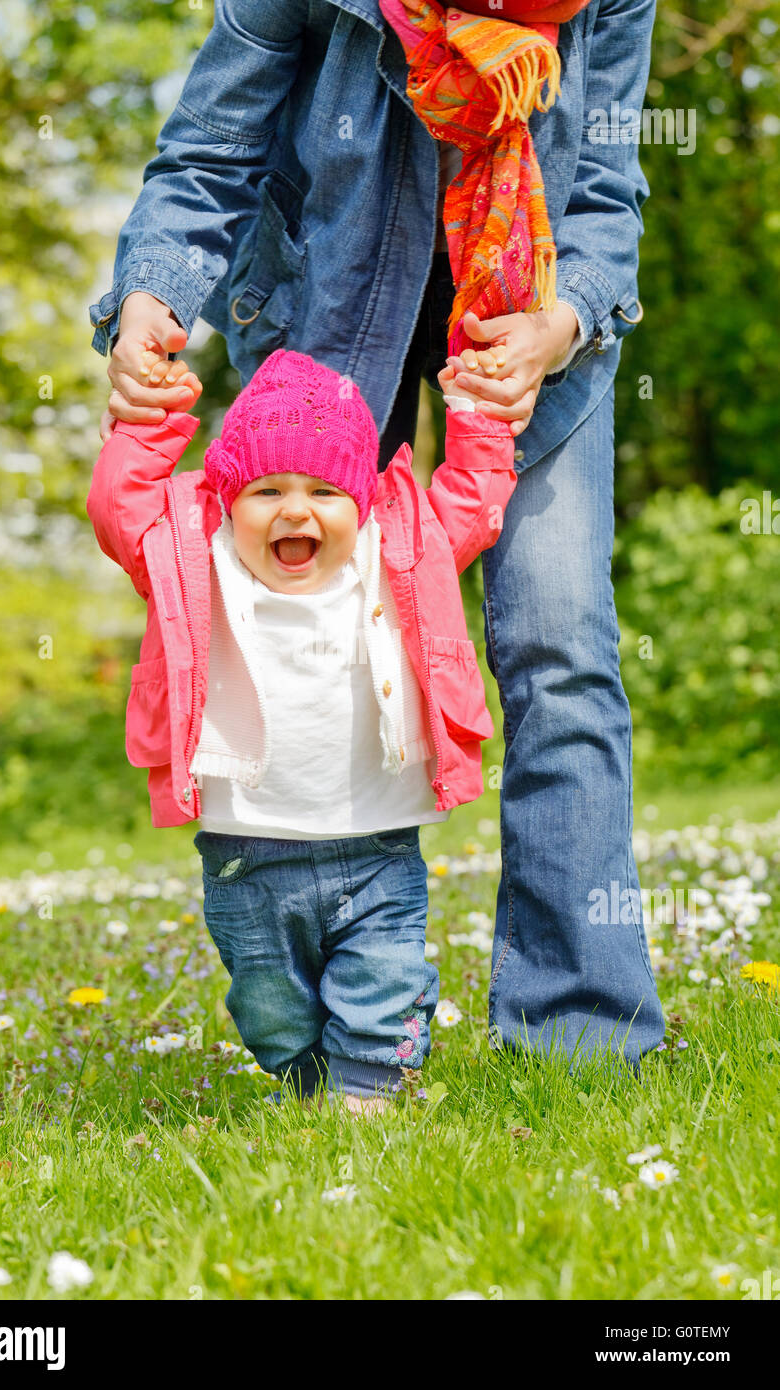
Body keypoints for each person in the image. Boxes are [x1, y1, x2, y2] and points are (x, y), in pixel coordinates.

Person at [89, 0, 664, 1069]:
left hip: (526, 327)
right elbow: (211, 152)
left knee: (560, 645)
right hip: (326, 302)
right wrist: (146, 300)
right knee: (276, 636)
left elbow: (603, 187)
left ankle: (580, 1036)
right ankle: (319, 1024)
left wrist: (564, 319)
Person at [86, 347, 518, 1114]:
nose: (295, 511)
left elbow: (475, 502)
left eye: (324, 489)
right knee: (268, 1006)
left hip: (378, 839)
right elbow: (121, 509)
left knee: (383, 976)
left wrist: (479, 420)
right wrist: (148, 421)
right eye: (266, 490)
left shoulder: (399, 553)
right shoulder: (197, 561)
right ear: (226, 501)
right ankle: (306, 1081)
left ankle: (369, 1090)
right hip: (245, 848)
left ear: (361, 505)